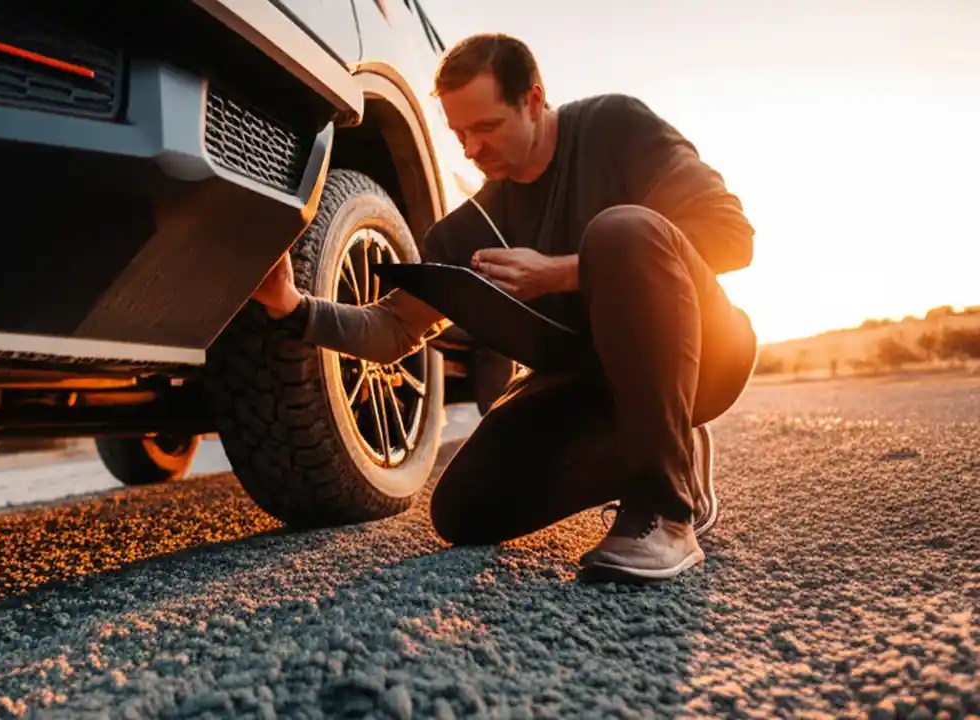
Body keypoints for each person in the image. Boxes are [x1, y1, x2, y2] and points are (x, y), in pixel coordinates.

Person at [250, 33, 759, 582]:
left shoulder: (615, 127)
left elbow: (733, 237)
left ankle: (663, 509)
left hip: (704, 356)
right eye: (459, 133)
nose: (471, 149)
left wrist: (563, 271)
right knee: (465, 510)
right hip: (586, 381)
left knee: (621, 230)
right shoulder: (468, 231)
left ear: (535, 101)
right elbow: (394, 329)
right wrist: (291, 305)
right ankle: (667, 445)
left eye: (486, 127)